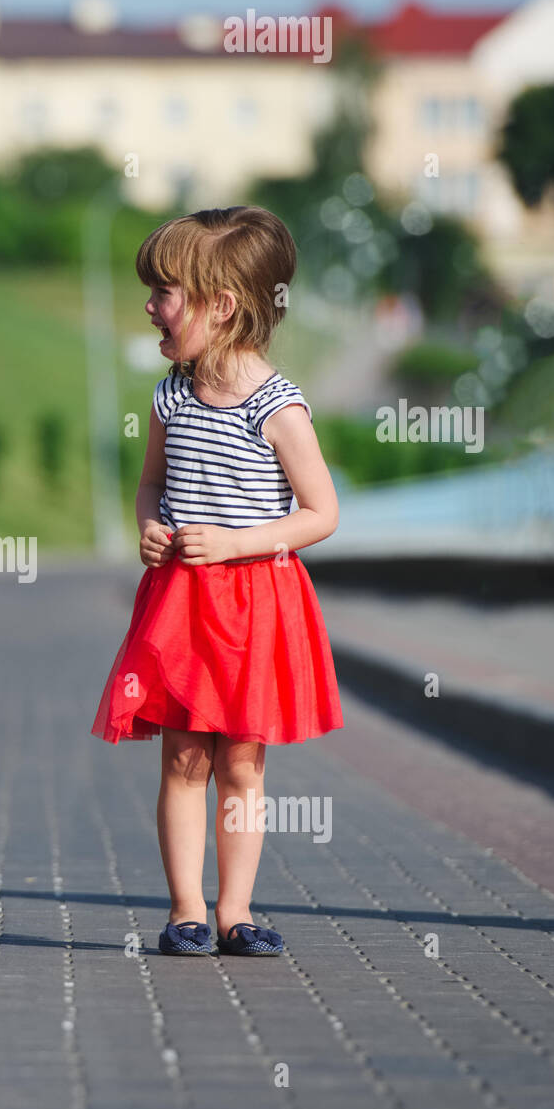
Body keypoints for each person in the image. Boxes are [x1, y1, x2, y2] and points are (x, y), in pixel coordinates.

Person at [91, 206, 343, 958]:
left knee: (240, 761)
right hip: (182, 604)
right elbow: (148, 486)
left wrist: (237, 541)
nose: (150, 306)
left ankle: (236, 909)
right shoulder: (170, 396)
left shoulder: (278, 406)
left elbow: (321, 512)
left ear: (220, 306)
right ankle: (186, 908)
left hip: (255, 602)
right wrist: (149, 526)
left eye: (165, 292)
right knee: (183, 758)